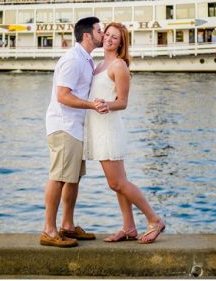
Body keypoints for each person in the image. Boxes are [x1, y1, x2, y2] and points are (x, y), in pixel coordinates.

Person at [84, 23, 166, 244]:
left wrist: (107, 105)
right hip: (98, 128)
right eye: (107, 35)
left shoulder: (119, 66)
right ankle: (129, 227)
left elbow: (123, 102)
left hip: (109, 127)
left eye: (115, 37)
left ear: (121, 43)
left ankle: (154, 219)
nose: (109, 39)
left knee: (117, 183)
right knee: (119, 181)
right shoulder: (99, 65)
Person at [41, 16, 105, 248]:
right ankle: (49, 230)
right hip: (64, 125)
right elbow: (63, 96)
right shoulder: (73, 60)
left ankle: (67, 225)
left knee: (73, 178)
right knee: (58, 177)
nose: (103, 33)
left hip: (75, 127)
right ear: (87, 35)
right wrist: (92, 105)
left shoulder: (86, 60)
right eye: (99, 30)